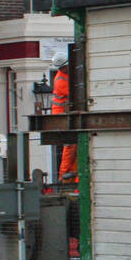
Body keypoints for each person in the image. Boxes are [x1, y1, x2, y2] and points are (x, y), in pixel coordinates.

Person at [52, 50, 78, 185]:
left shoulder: (66, 76)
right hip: (60, 115)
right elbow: (75, 93)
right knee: (70, 144)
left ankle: (73, 176)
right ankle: (64, 175)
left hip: (65, 114)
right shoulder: (60, 81)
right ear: (63, 67)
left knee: (77, 145)